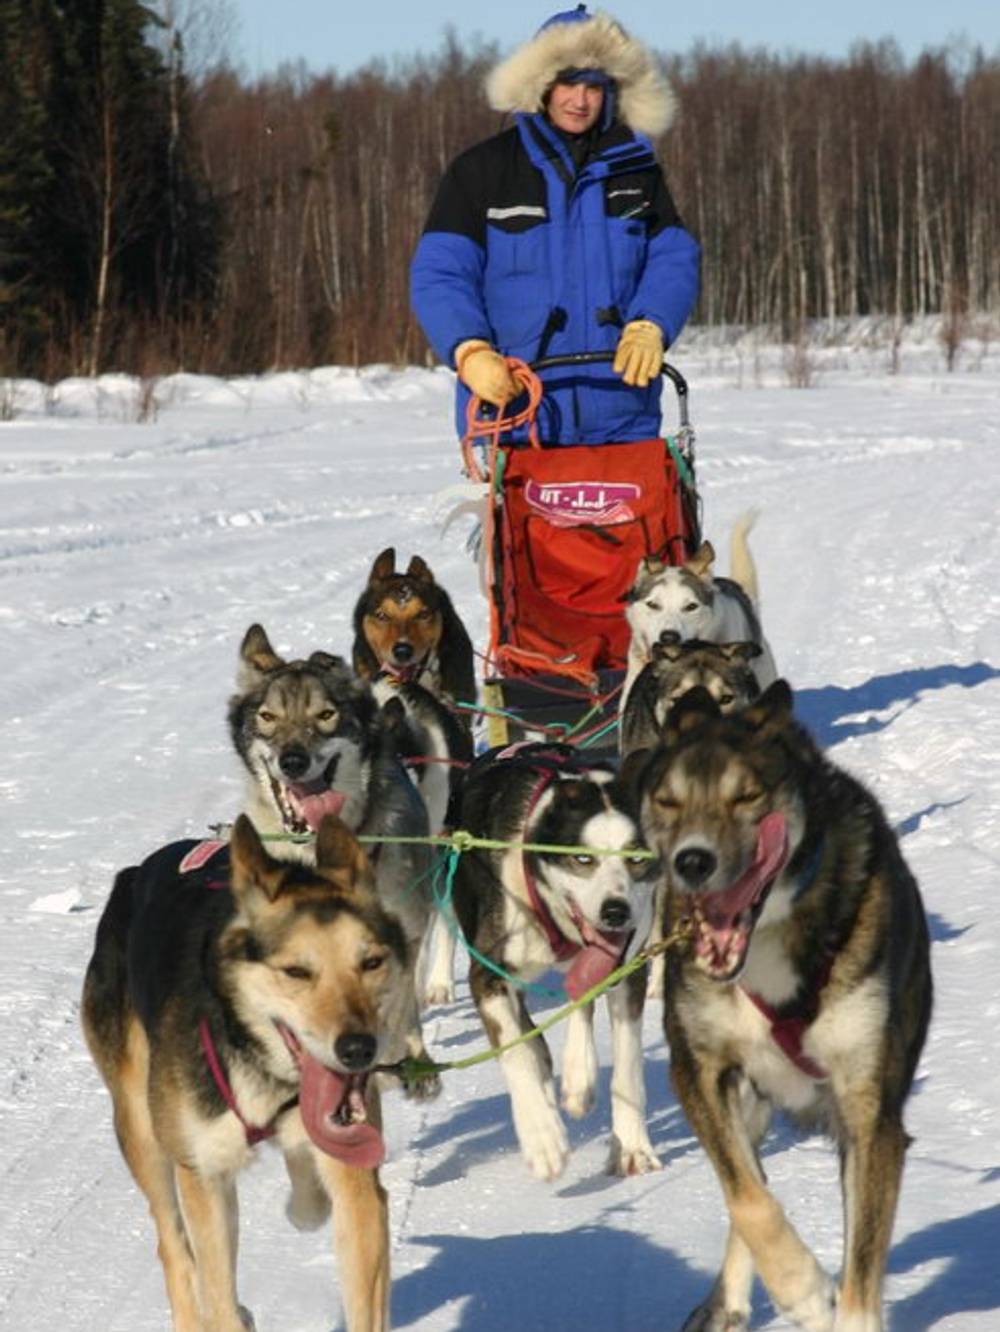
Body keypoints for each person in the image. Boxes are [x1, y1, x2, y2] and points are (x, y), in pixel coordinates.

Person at [410, 5, 701, 445]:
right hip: (515, 415)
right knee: (508, 519)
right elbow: (440, 272)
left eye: (593, 87)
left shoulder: (638, 171)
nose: (579, 100)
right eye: (568, 82)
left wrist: (651, 323)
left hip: (621, 417)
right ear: (542, 83)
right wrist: (469, 349)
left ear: (614, 91)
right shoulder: (483, 170)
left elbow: (673, 258)